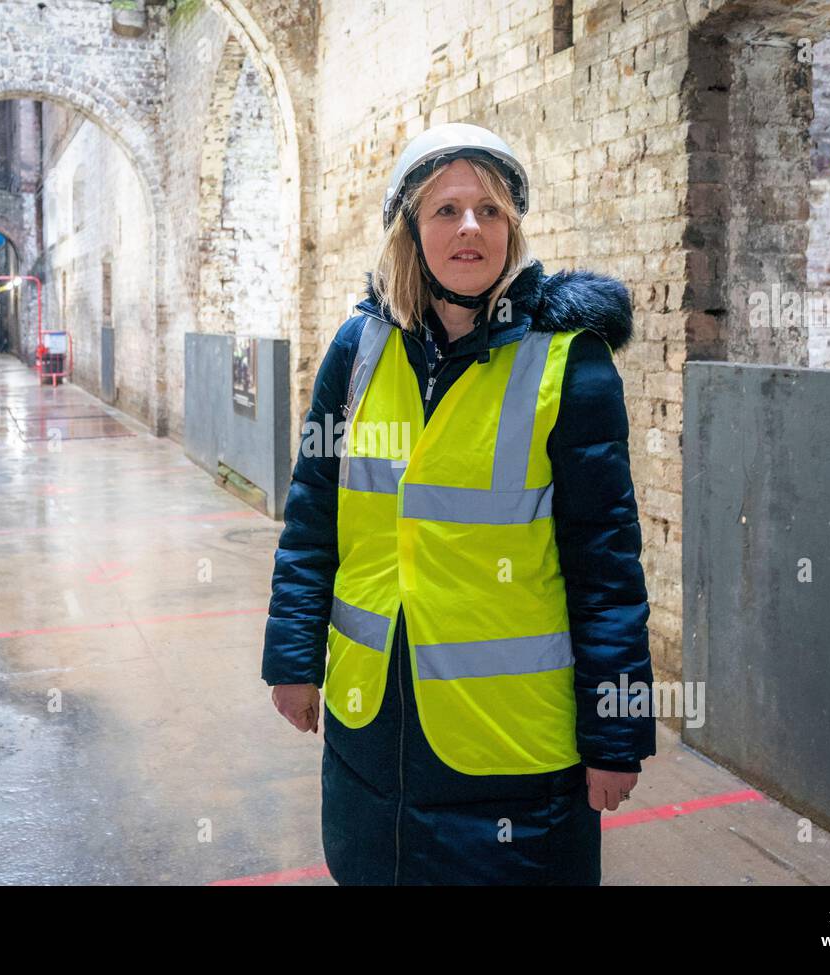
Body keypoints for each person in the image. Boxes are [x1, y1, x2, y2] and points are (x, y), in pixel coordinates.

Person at [262, 122, 655, 885]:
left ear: (512, 228)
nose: (470, 226)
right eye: (446, 210)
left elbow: (608, 563)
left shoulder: (571, 363)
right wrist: (293, 656)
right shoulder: (358, 350)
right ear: (411, 231)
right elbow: (313, 518)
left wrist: (616, 730)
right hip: (371, 737)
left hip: (513, 755)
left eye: (490, 210)